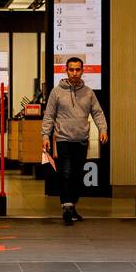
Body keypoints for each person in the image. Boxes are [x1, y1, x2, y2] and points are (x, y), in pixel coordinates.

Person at [41, 56, 108, 226]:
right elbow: (49, 116)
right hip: (63, 139)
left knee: (77, 176)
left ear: (82, 71)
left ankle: (72, 206)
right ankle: (67, 207)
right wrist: (45, 136)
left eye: (78, 69)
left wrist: (103, 130)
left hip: (81, 140)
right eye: (71, 69)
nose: (74, 73)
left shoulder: (88, 93)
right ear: (66, 71)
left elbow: (98, 113)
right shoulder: (56, 92)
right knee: (67, 172)